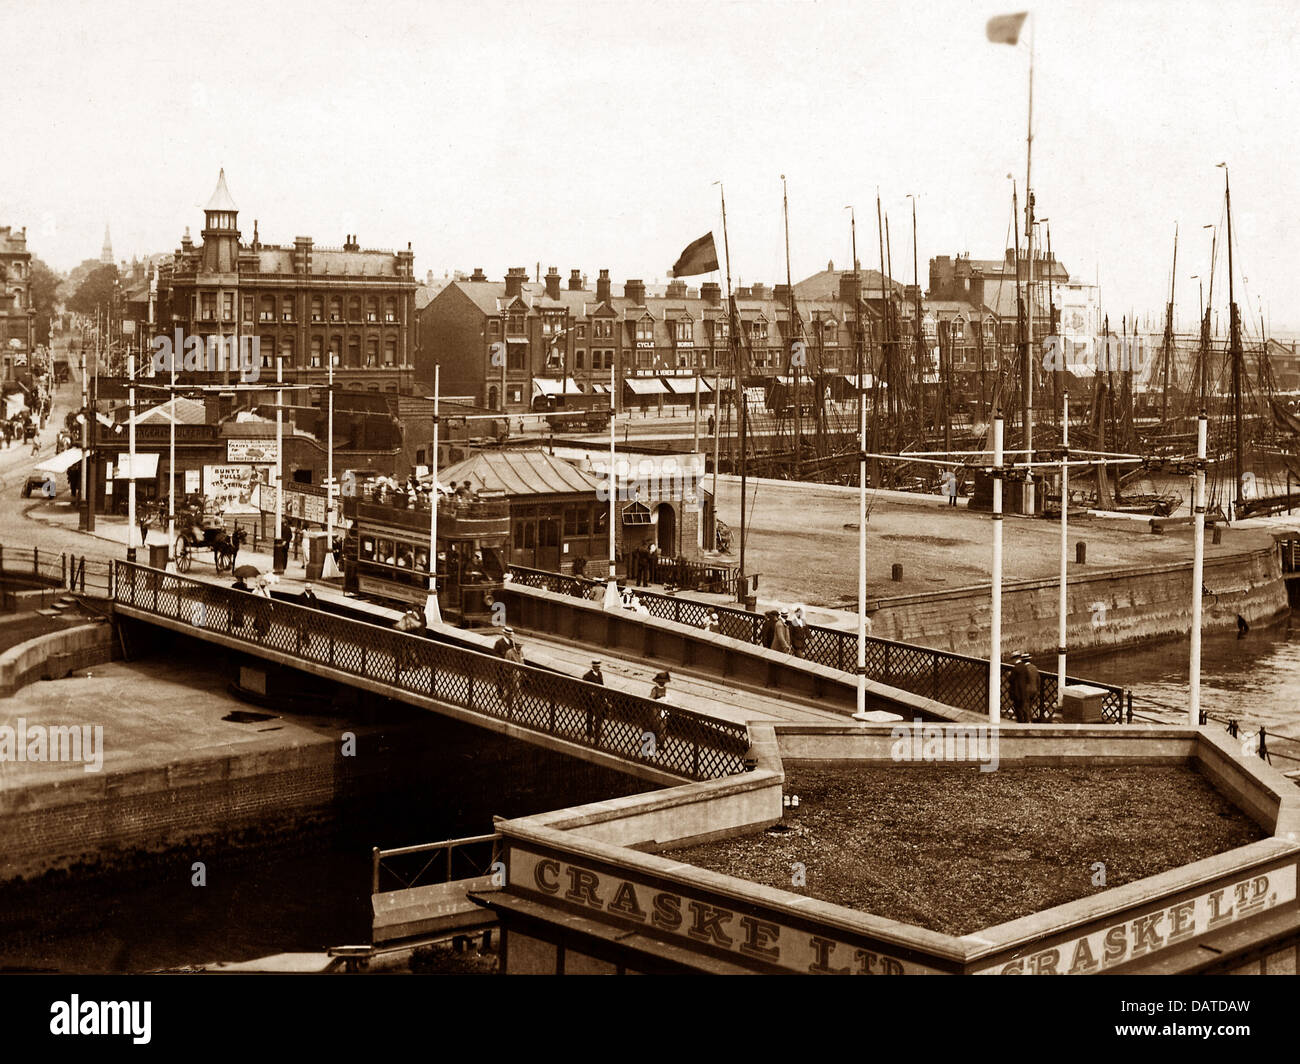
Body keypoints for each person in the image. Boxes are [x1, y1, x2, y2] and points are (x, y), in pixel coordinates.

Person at [1009, 652, 1041, 723]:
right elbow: (1038, 680)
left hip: (1025, 690)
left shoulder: (1023, 668)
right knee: (1029, 706)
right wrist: (1038, 689)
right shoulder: (1034, 668)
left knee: (1024, 707)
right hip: (1034, 690)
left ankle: (1027, 721)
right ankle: (1029, 720)